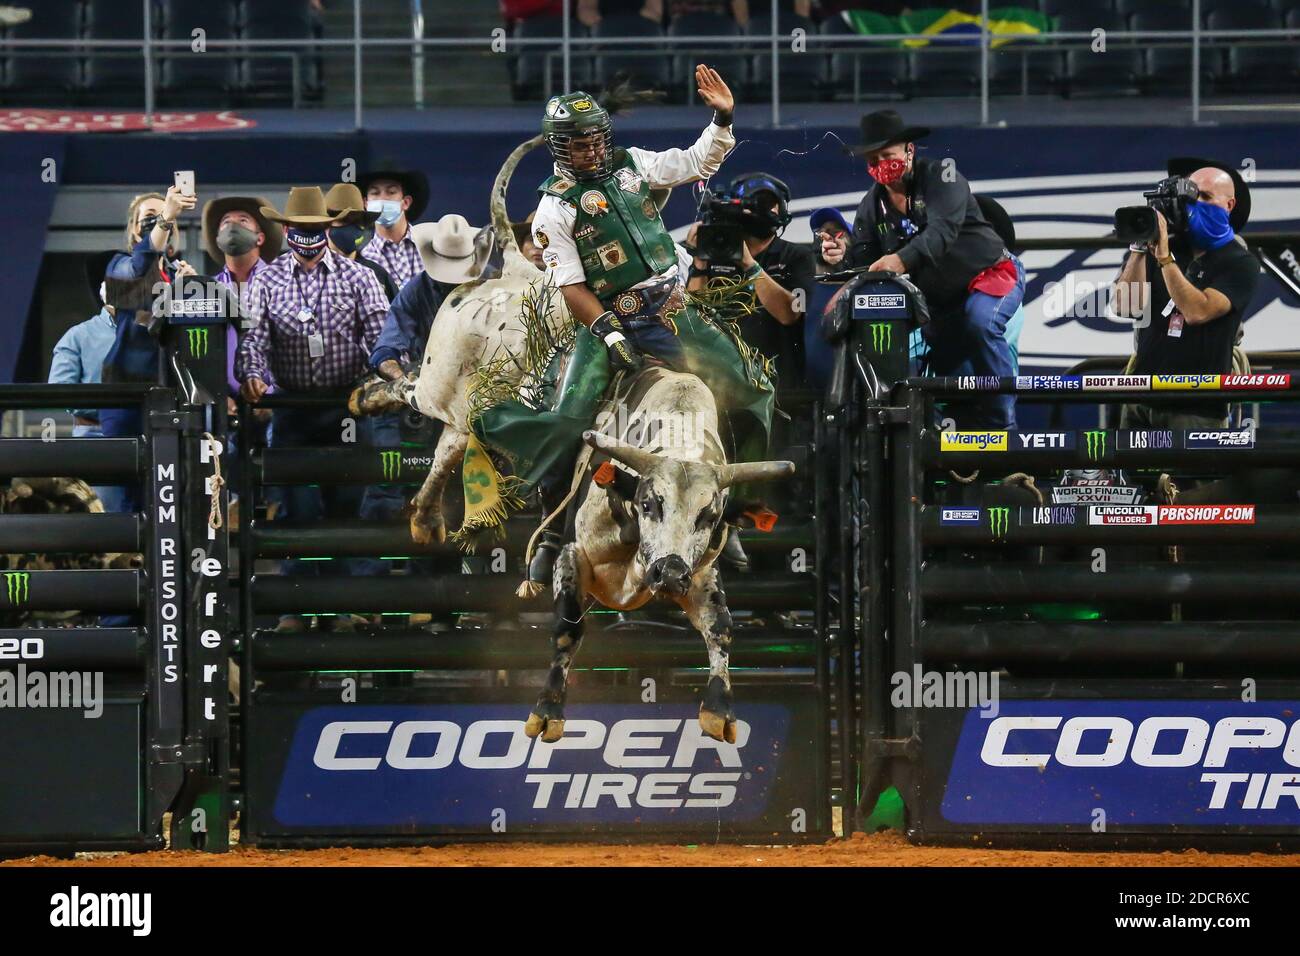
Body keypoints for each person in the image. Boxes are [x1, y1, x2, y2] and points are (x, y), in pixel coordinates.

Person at [473, 67, 775, 587]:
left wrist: (723, 118)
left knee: (753, 390)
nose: (591, 150)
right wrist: (610, 333)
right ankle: (551, 527)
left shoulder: (634, 164)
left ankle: (733, 507)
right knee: (569, 421)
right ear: (560, 147)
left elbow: (696, 161)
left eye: (596, 139)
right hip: (608, 319)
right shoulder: (553, 209)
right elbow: (571, 286)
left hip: (670, 311)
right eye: (579, 143)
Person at [236, 187, 390, 634]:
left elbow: (378, 334)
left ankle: (340, 606)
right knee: (296, 510)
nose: (308, 235)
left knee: (346, 510)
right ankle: (298, 608)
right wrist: (253, 374)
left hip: (346, 406)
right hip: (293, 407)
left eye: (316, 228)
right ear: (287, 230)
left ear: (328, 228)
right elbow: (253, 338)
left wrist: (387, 372)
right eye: (301, 228)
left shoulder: (359, 277)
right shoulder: (267, 280)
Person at [821, 109, 1025, 429]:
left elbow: (942, 231)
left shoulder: (944, 177)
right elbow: (864, 262)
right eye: (873, 160)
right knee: (938, 370)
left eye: (887, 155)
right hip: (940, 305)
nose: (881, 164)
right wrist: (839, 257)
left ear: (909, 150)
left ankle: (1004, 428)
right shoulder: (870, 208)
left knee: (981, 324)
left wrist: (900, 260)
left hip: (990, 276)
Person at [1113, 158, 1260, 431]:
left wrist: (1164, 259)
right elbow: (1125, 306)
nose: (1194, 204)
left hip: (1196, 405)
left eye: (1205, 196)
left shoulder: (1240, 261)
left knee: (1190, 463)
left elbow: (1197, 312)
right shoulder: (1159, 247)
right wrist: (1139, 248)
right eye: (1189, 197)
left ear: (1229, 205)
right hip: (1141, 398)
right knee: (1129, 462)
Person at [687, 171, 816, 394]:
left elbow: (792, 313)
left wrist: (749, 265)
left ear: (782, 210)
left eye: (770, 203)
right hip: (724, 384)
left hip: (781, 388)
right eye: (756, 201)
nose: (763, 209)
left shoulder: (798, 256)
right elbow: (694, 317)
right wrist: (700, 261)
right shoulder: (716, 254)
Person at [48, 251, 126, 514]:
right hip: (95, 437)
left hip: (148, 436)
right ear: (103, 287)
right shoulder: (78, 336)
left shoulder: (152, 334)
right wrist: (110, 409)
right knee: (106, 520)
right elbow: (59, 391)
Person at [358, 163, 429, 292]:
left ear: (406, 202)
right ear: (365, 204)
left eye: (391, 192)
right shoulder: (361, 256)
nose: (382, 199)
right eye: (375, 193)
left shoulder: (428, 246)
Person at [324, 183, 398, 301]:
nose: (352, 227)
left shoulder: (378, 275)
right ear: (326, 226)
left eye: (358, 221)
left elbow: (397, 311)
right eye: (344, 220)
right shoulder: (310, 274)